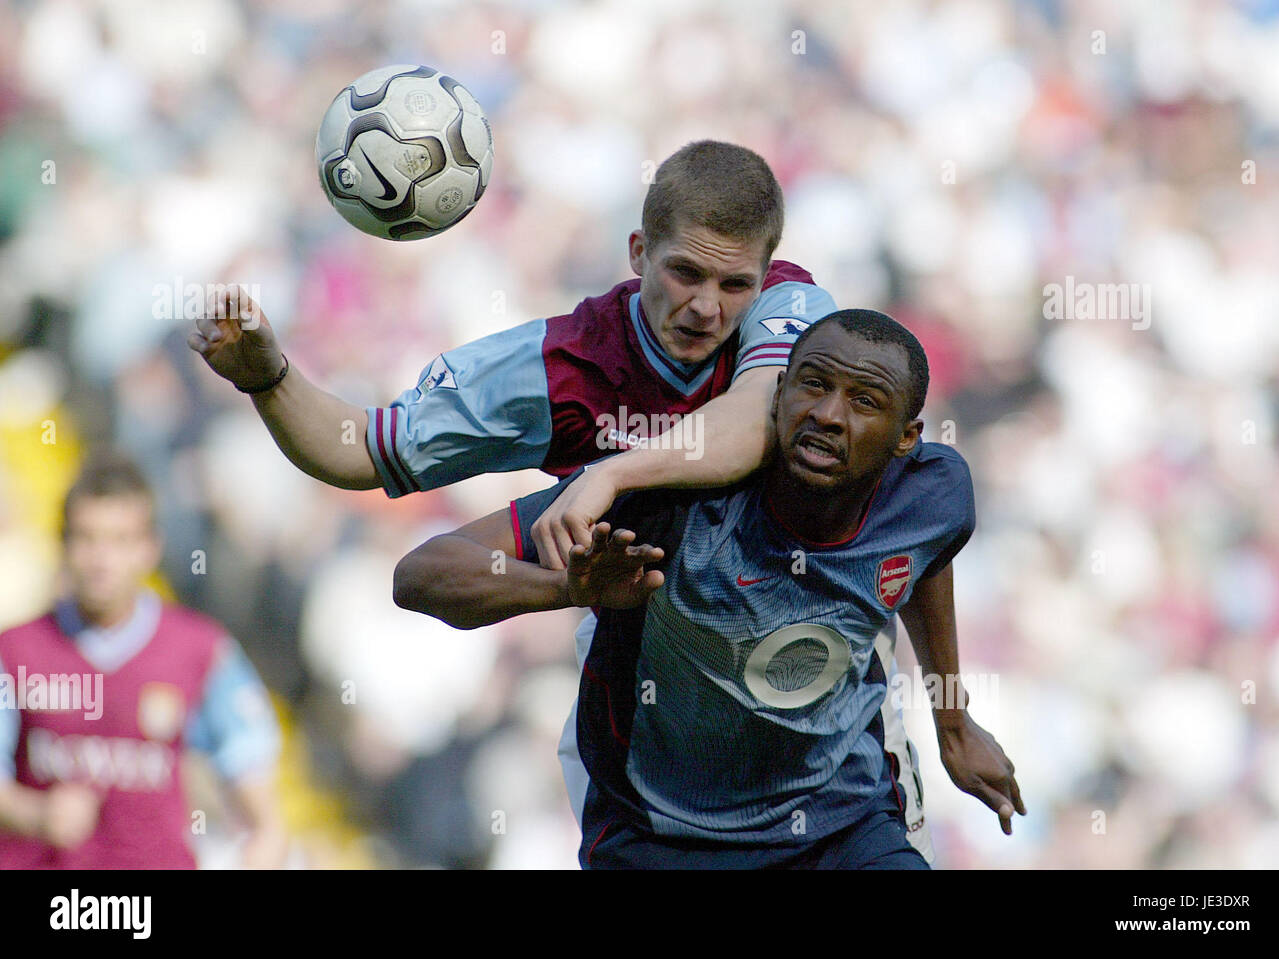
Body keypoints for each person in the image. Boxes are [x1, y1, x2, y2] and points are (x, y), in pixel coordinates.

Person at [188, 139, 934, 858]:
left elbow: (756, 427)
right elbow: (363, 449)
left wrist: (609, 474)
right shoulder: (558, 365)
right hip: (654, 749)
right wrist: (270, 378)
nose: (708, 307)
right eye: (684, 274)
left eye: (735, 285)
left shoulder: (795, 315)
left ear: (766, 277)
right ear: (639, 252)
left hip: (829, 745)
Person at [394, 310, 1025, 868]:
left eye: (864, 402)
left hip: (841, 822)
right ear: (777, 393)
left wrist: (953, 724)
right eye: (813, 384)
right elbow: (421, 573)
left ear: (906, 438)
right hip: (663, 836)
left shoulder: (933, 493)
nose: (829, 415)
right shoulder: (669, 498)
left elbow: (926, 554)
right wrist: (566, 589)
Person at [0, 453, 284, 869]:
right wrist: (36, 815)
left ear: (150, 549)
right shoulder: (15, 651)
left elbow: (261, 808)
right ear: (62, 545)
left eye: (120, 541)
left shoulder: (201, 651)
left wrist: (262, 848)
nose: (101, 561)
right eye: (86, 539)